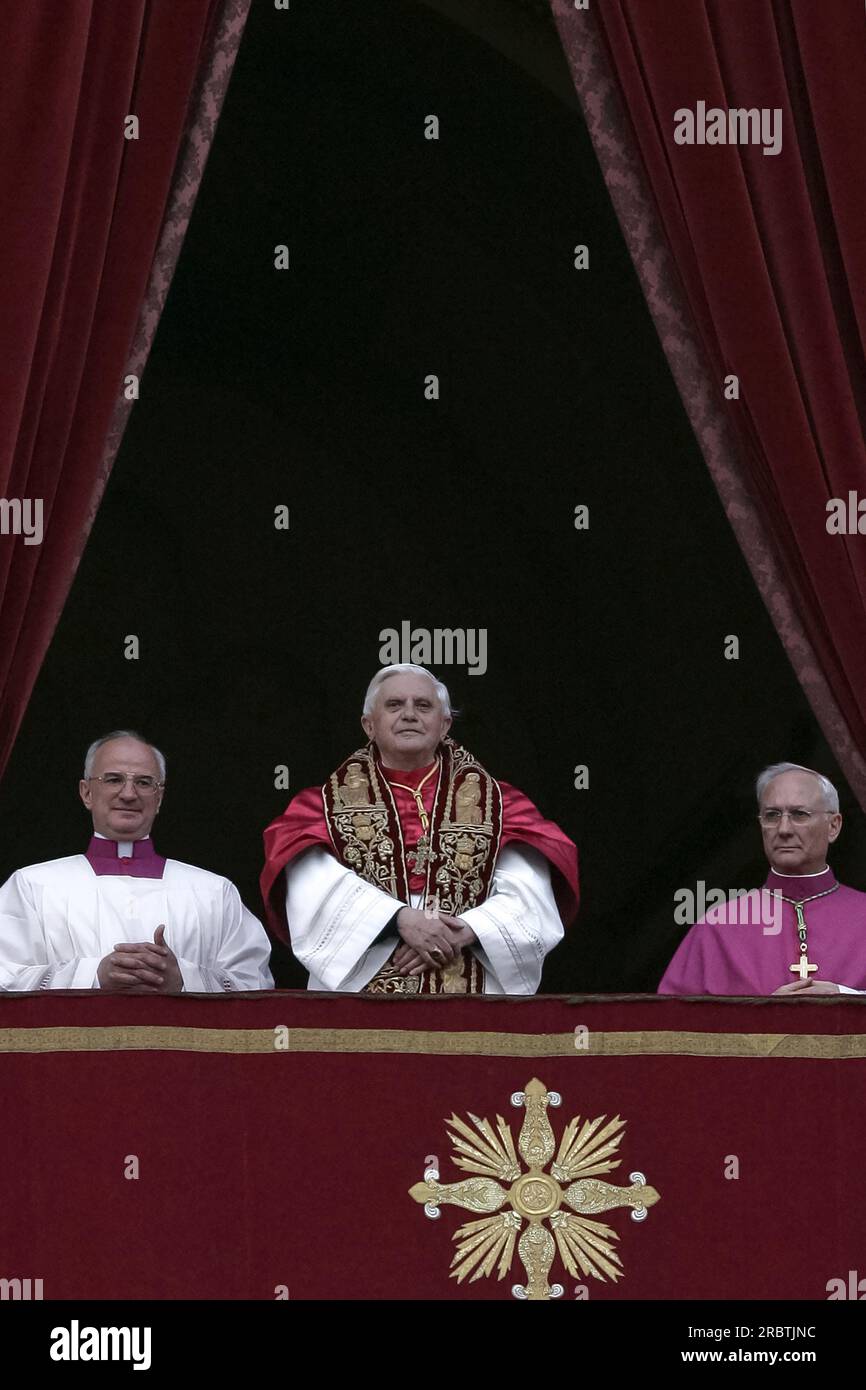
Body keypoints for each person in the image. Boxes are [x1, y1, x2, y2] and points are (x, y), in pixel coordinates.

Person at [261, 664, 579, 994]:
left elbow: (528, 890)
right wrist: (396, 920)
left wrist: (467, 929)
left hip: (470, 970)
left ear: (445, 725)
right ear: (369, 725)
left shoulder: (499, 804)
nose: (409, 714)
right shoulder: (321, 807)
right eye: (394, 705)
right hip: (363, 975)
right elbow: (313, 886)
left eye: (423, 705)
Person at [0, 731, 273, 992]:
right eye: (113, 779)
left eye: (144, 782)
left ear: (160, 797)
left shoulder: (214, 892)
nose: (129, 794)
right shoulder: (31, 886)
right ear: (86, 793)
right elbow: (5, 978)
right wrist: (94, 975)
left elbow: (255, 986)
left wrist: (184, 979)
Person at [659, 762, 866, 996]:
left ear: (833, 826)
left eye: (799, 814)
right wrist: (762, 1016)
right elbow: (672, 1023)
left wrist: (846, 996)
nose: (784, 828)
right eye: (772, 815)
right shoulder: (718, 927)